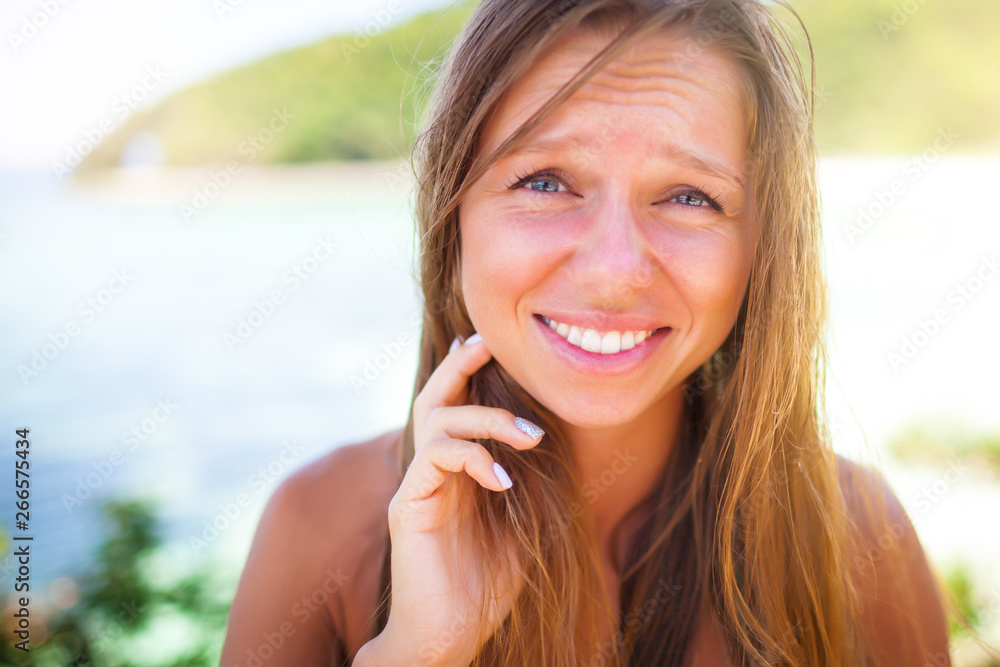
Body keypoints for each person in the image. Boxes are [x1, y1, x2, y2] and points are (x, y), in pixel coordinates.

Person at [220, 0, 953, 664]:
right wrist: (416, 650)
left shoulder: (853, 537)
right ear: (454, 215)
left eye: (690, 196)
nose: (613, 271)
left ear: (764, 245)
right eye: (544, 181)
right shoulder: (318, 527)